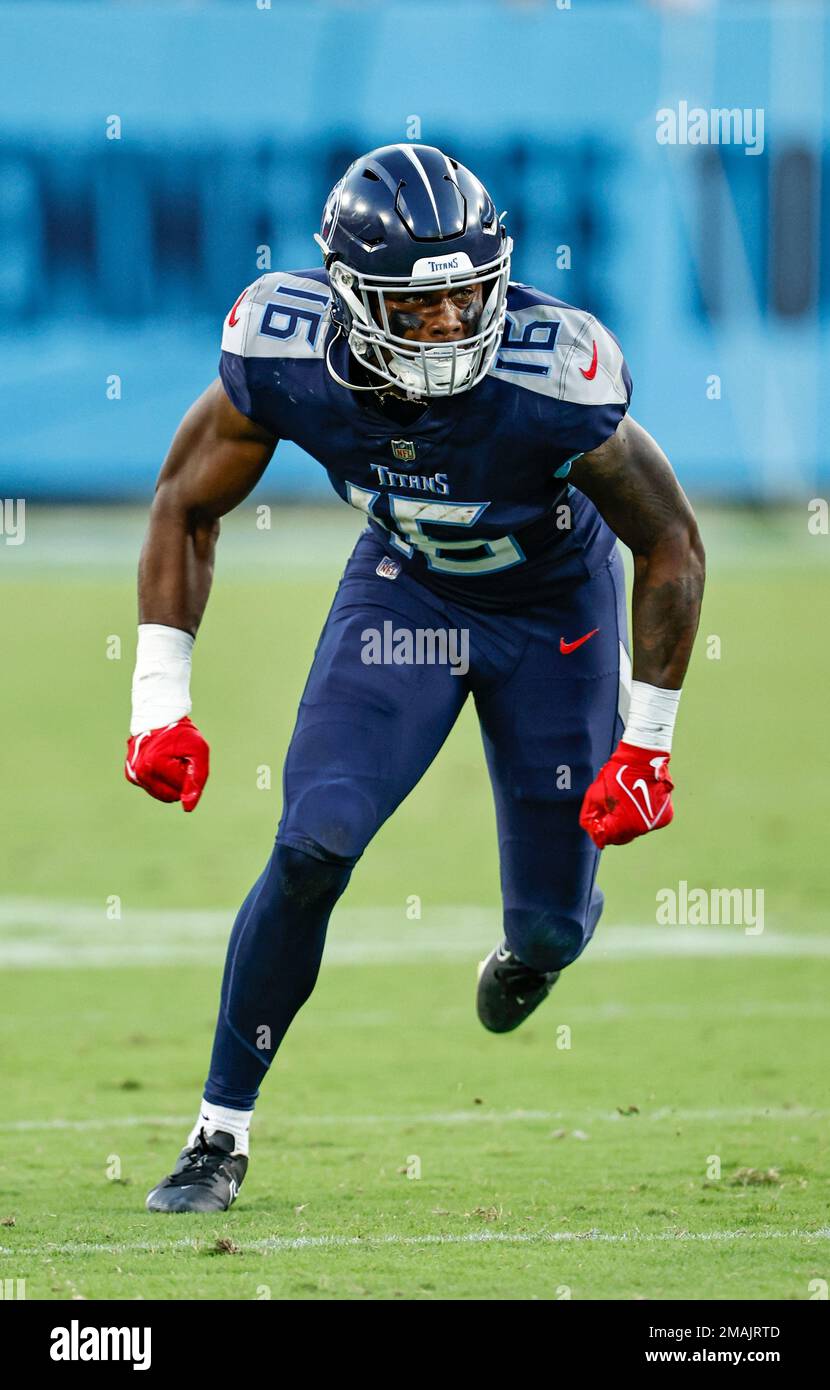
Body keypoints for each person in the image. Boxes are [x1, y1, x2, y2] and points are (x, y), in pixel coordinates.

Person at [125, 144, 705, 1212]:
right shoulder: (283, 351)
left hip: (553, 618)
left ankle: (533, 954)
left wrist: (646, 745)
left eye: (467, 297)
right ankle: (218, 1133)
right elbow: (182, 502)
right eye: (417, 307)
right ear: (351, 298)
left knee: (546, 929)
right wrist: (158, 700)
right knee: (312, 841)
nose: (449, 327)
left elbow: (669, 539)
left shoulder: (547, 373)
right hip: (408, 593)